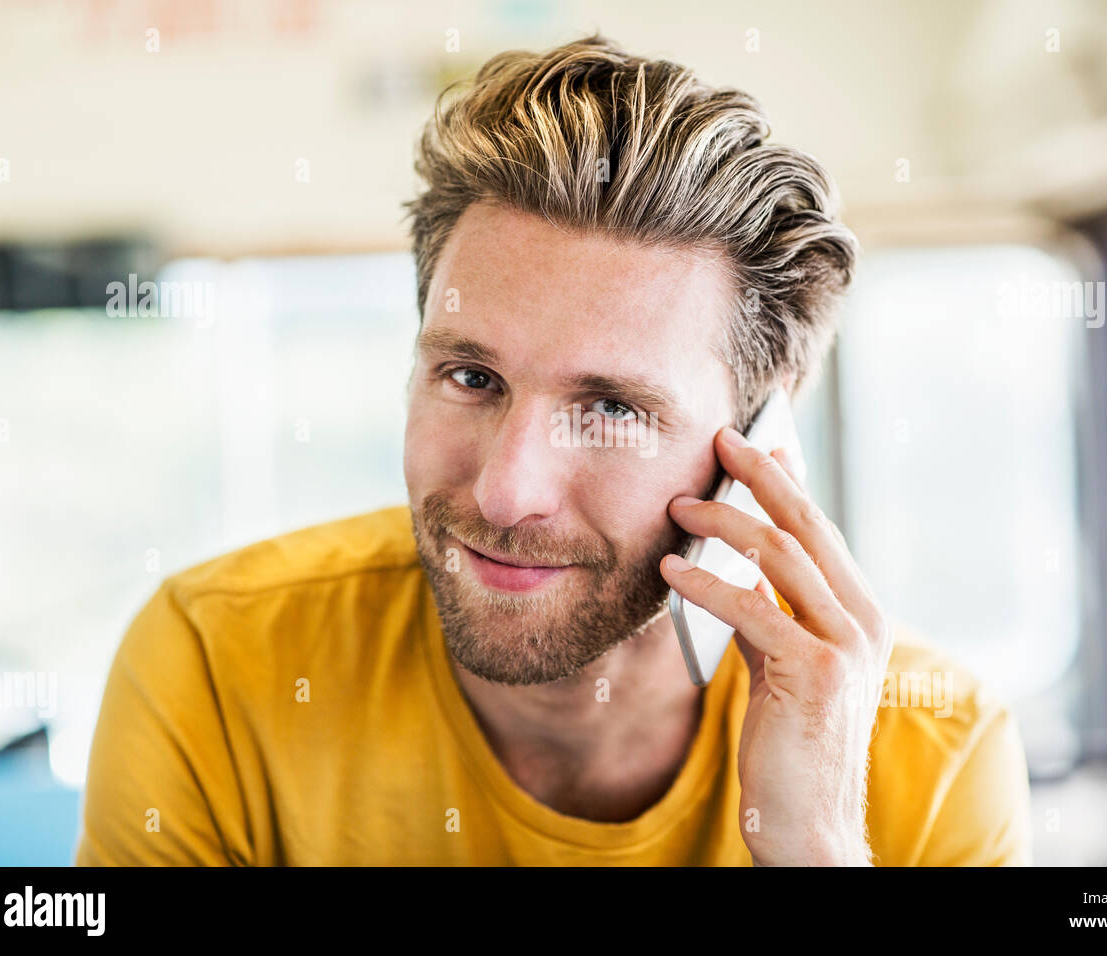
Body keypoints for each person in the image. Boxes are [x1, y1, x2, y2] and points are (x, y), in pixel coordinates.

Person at [74, 33, 1031, 866]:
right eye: (471, 378)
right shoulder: (216, 657)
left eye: (612, 407)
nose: (503, 493)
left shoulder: (932, 748)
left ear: (759, 453)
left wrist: (818, 848)